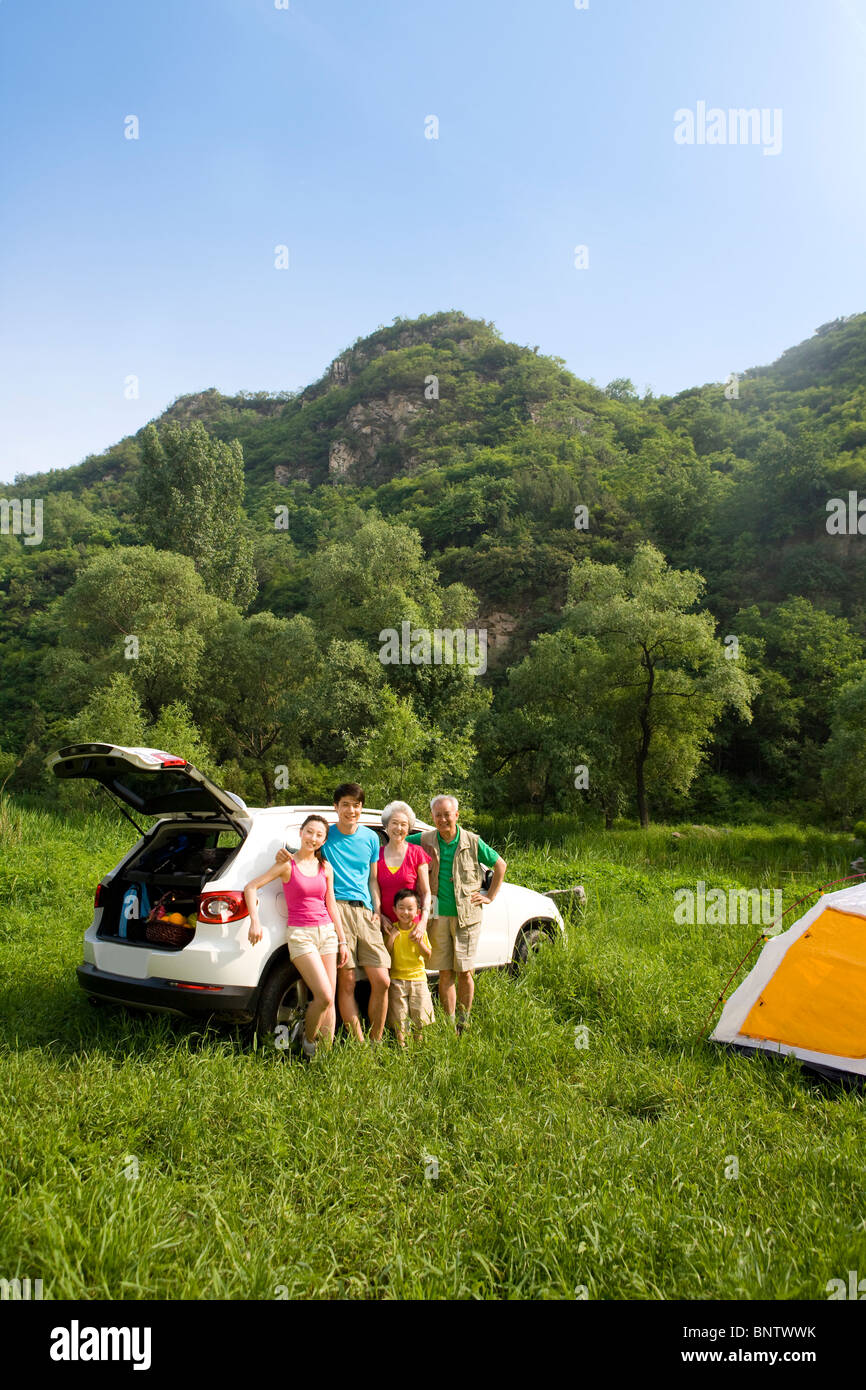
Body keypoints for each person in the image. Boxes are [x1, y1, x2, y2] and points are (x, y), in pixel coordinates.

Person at [276, 783, 389, 1042]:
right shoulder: (326, 836)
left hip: (366, 913)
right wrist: (282, 854)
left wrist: (377, 909)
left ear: (361, 808)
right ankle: (359, 1044)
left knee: (382, 980)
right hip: (335, 909)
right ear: (336, 807)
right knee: (346, 981)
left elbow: (372, 880)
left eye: (356, 805)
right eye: (346, 804)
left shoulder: (371, 838)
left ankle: (376, 1041)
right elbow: (303, 855)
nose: (351, 810)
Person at [244, 813, 347, 1059]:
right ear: (301, 833)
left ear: (323, 841)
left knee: (330, 999)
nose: (313, 838)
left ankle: (324, 1057)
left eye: (319, 835)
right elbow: (251, 887)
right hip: (302, 936)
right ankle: (309, 1042)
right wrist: (254, 921)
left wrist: (342, 940)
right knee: (322, 995)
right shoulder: (286, 864)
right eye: (309, 832)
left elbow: (331, 904)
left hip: (328, 935)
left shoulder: (325, 867)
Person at [409, 794, 506, 1033]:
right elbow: (397, 840)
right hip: (437, 916)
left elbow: (500, 865)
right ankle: (450, 1022)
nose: (443, 819)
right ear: (432, 816)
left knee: (464, 972)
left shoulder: (472, 841)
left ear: (456, 815)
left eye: (447, 814)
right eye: (438, 815)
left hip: (467, 917)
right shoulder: (424, 839)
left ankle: (464, 1021)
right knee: (444, 972)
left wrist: (490, 896)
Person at [383, 888, 434, 1045]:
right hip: (397, 979)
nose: (405, 912)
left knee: (420, 1015)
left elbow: (428, 955)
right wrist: (392, 937)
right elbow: (386, 952)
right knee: (400, 1015)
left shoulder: (418, 931)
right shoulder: (393, 929)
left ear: (418, 911)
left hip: (418, 978)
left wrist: (419, 942)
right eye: (401, 908)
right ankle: (402, 1045)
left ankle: (418, 1045)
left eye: (410, 909)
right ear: (394, 909)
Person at [377, 800, 432, 939]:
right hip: (385, 925)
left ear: (408, 829)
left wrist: (423, 922)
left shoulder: (417, 853)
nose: (398, 828)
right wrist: (379, 916)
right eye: (394, 823)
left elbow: (426, 892)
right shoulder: (376, 855)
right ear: (386, 826)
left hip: (411, 927)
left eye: (403, 824)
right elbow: (372, 889)